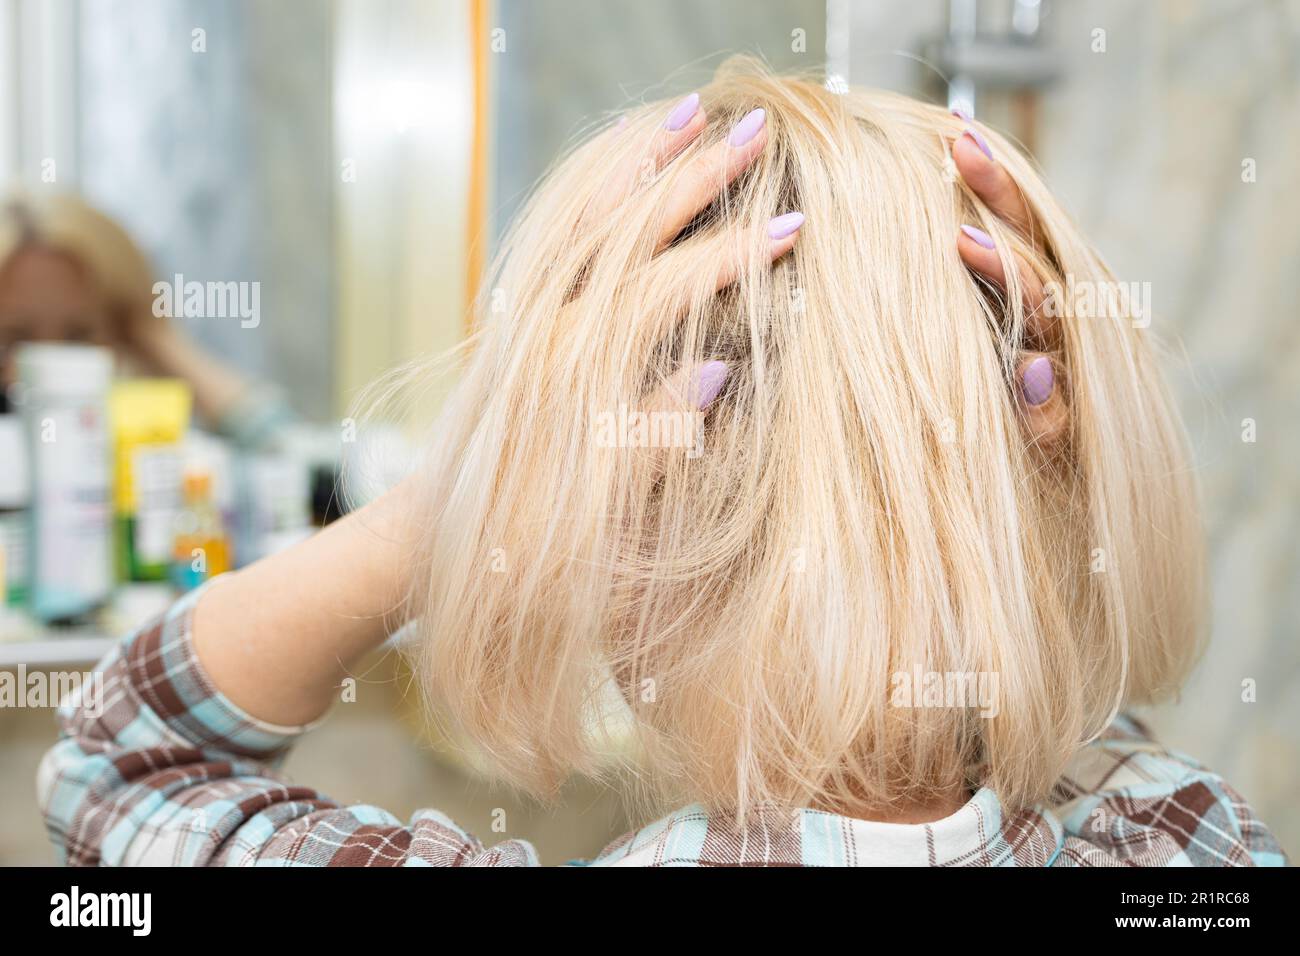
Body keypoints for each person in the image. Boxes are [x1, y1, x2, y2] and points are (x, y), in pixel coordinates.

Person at [37, 62, 1285, 866]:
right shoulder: (1182, 847)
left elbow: (120, 765)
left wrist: (471, 493)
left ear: (615, 541)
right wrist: (1030, 508)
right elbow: (1048, 704)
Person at [0, 194, 292, 449]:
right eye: (15, 339)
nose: (52, 369)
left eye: (78, 337)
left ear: (124, 334)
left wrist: (158, 338)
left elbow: (291, 452)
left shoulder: (144, 452)